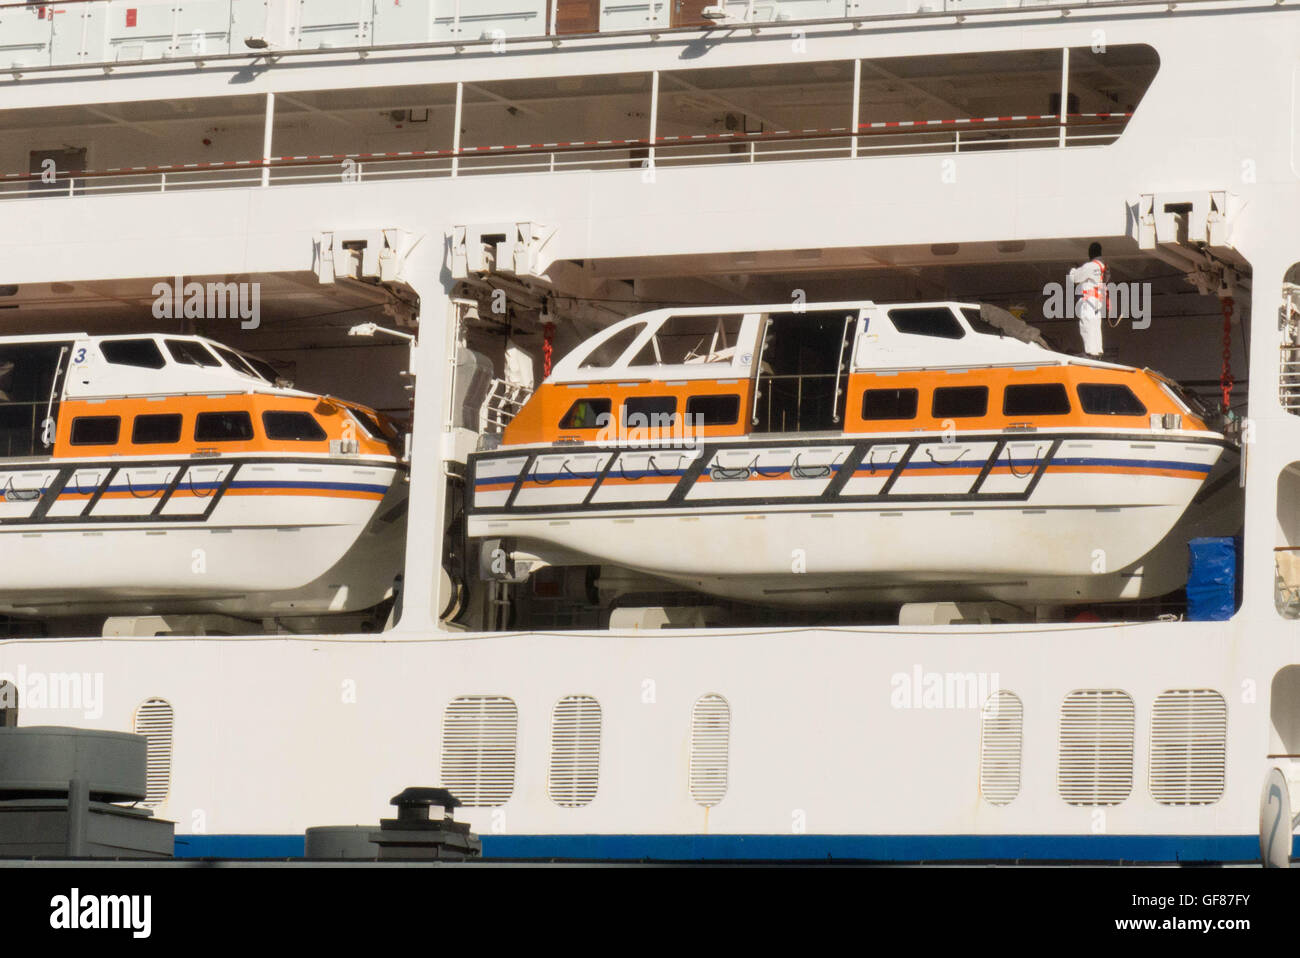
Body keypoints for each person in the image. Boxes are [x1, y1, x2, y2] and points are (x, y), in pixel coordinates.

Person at [1069, 242, 1109, 357]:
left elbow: (1076, 278)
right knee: (1095, 324)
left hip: (1088, 299)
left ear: (1090, 253)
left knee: (1086, 323)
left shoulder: (1090, 266)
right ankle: (1097, 350)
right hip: (1097, 298)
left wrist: (1072, 270)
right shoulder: (1103, 266)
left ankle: (1089, 351)